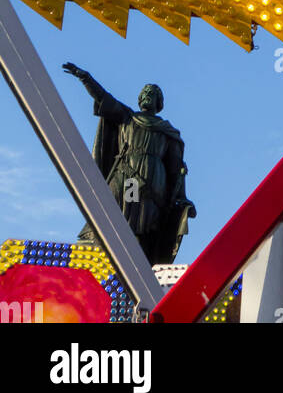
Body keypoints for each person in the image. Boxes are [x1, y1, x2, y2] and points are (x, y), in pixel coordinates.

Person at [62, 64, 195, 264]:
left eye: (153, 93)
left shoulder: (167, 131)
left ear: (159, 103)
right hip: (130, 178)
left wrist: (181, 198)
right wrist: (86, 78)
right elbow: (104, 98)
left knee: (146, 223)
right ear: (140, 99)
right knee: (127, 217)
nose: (148, 95)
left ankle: (139, 265)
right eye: (146, 92)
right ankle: (118, 257)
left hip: (153, 185)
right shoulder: (128, 117)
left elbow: (176, 169)